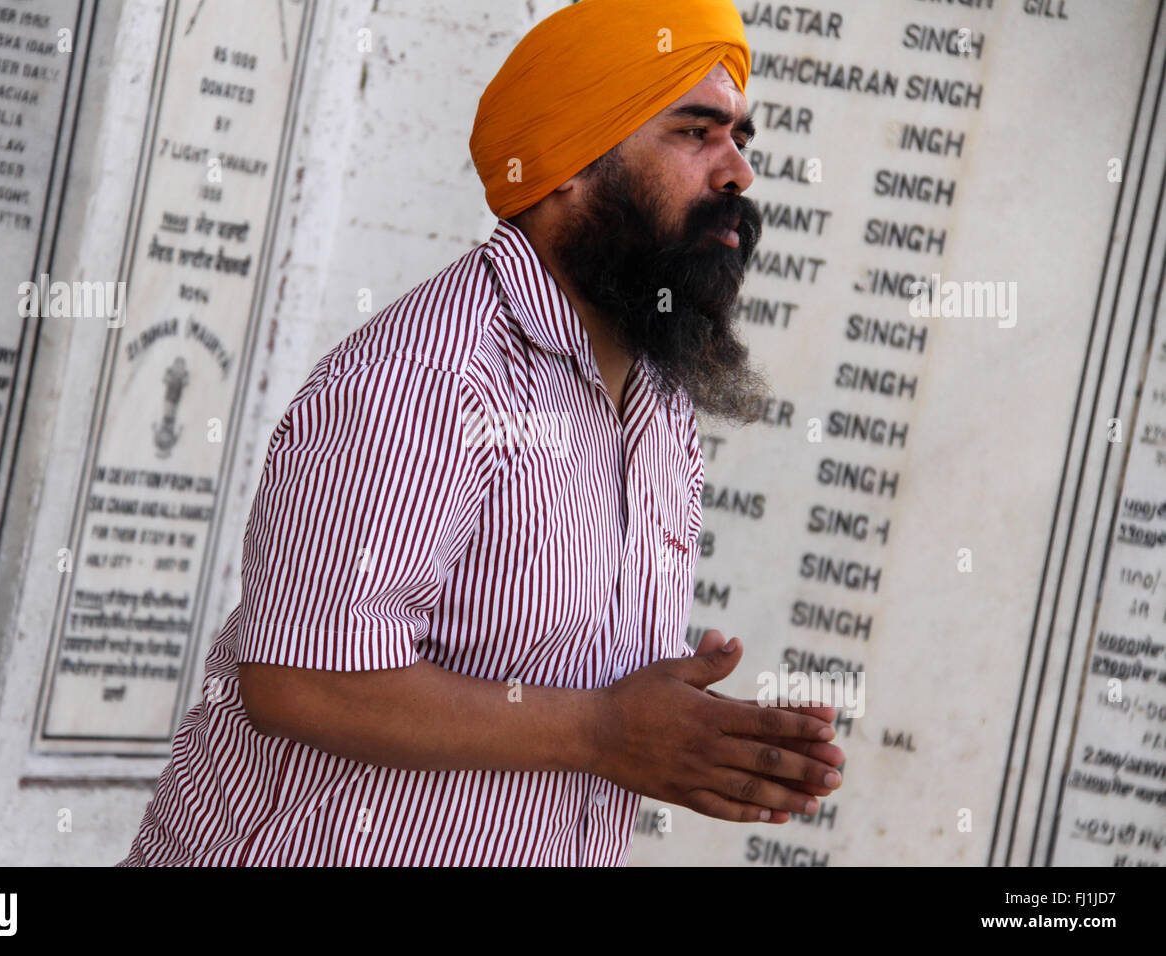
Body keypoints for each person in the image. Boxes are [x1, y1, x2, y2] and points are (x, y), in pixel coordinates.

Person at [120, 0, 843, 867]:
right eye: (696, 132)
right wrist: (605, 733)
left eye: (742, 138)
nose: (739, 173)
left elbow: (571, 701)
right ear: (569, 163)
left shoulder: (659, 403)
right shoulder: (429, 373)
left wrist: (683, 729)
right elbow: (298, 679)